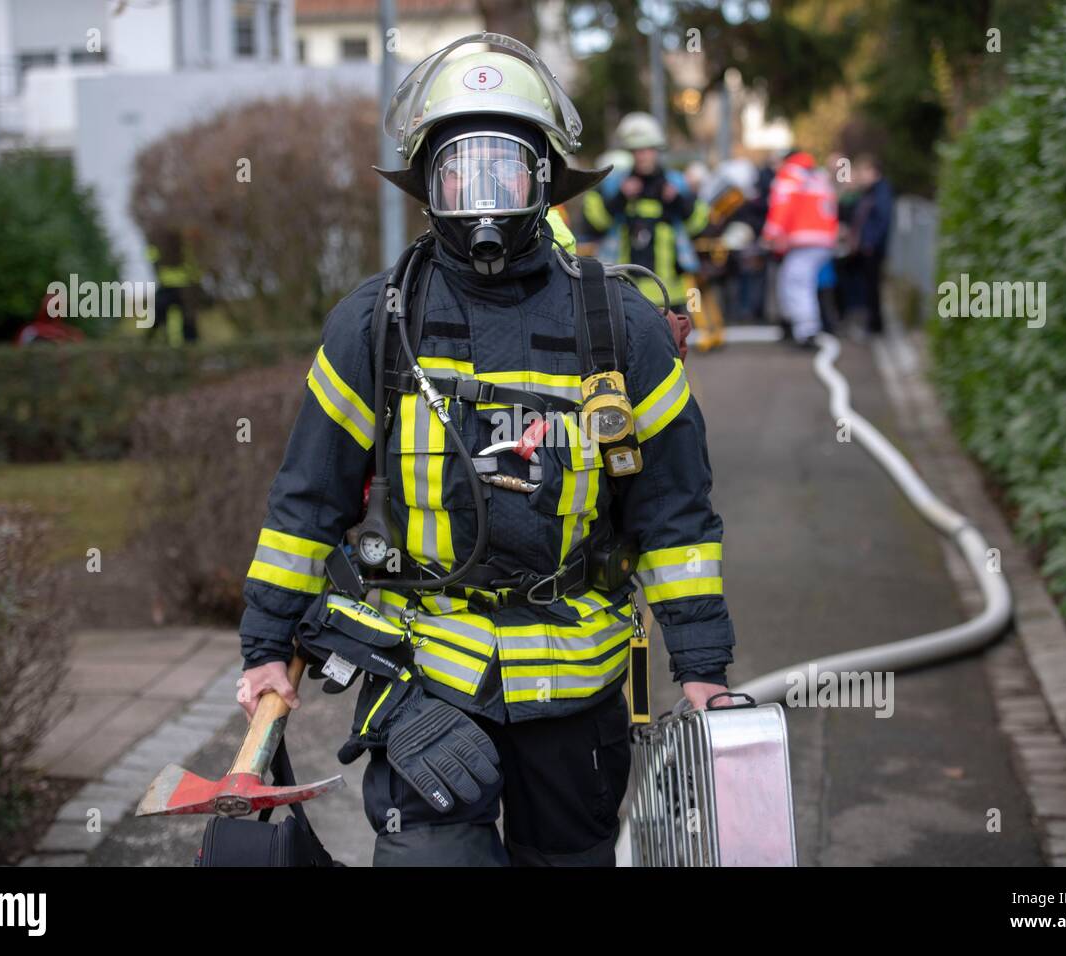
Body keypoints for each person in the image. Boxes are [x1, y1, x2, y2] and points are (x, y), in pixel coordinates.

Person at [236, 34, 735, 867]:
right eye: (461, 171)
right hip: (424, 678)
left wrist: (703, 662)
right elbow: (308, 500)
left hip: (578, 686)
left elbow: (674, 513)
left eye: (505, 169)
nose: (483, 195)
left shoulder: (622, 329)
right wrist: (265, 649)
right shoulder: (374, 324)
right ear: (428, 183)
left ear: (543, 179)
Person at [581, 111, 710, 309]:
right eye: (636, 150)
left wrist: (678, 201)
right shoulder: (616, 184)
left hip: (671, 292)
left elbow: (699, 224)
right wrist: (620, 198)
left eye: (647, 150)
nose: (641, 156)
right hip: (625, 288)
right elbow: (595, 224)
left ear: (657, 150)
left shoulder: (676, 183)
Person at [762, 150, 838, 348]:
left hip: (803, 238)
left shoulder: (790, 174)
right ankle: (793, 324)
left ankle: (807, 330)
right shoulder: (817, 175)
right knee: (792, 280)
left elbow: (782, 206)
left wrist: (771, 234)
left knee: (797, 283)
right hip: (822, 238)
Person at [847, 154, 894, 335]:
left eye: (863, 172)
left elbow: (882, 220)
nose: (860, 176)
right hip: (867, 246)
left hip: (872, 248)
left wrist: (870, 242)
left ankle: (874, 325)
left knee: (872, 287)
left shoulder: (881, 191)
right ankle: (871, 323)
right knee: (867, 286)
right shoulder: (870, 191)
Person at [145, 228, 201, 345]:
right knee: (184, 319)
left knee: (165, 317)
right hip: (180, 287)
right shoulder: (184, 245)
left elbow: (152, 257)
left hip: (174, 287)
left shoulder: (160, 243)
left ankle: (151, 343)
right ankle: (188, 344)